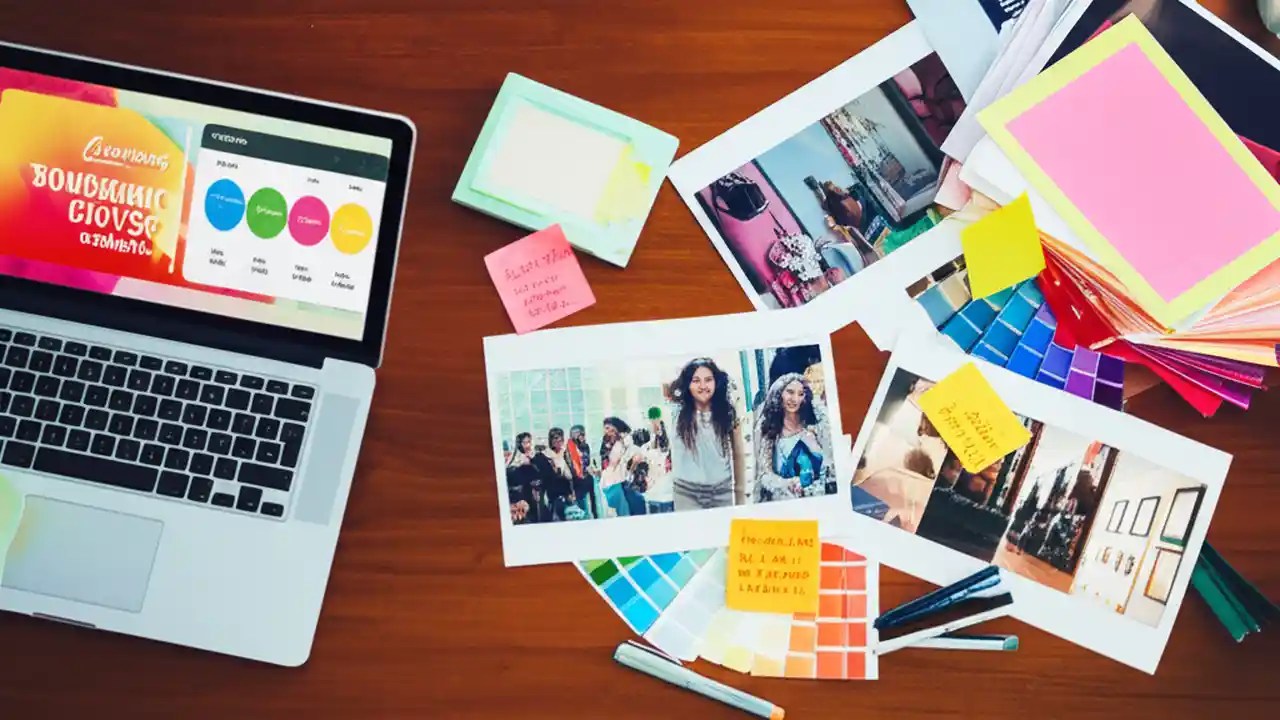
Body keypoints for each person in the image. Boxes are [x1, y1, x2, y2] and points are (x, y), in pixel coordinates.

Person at [668, 358, 746, 510]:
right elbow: (671, 389)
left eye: (708, 380)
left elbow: (738, 454)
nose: (703, 386)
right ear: (688, 384)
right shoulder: (678, 413)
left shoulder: (728, 413)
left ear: (716, 382)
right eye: (696, 380)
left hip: (721, 491)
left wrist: (740, 495)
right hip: (686, 492)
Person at [753, 373, 830, 503]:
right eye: (790, 392)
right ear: (779, 394)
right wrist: (786, 483)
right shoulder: (768, 431)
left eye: (800, 394)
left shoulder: (815, 426)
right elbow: (764, 474)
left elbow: (830, 463)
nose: (795, 399)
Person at [600, 417, 644, 517]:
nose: (607, 432)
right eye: (605, 429)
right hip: (611, 481)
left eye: (609, 428)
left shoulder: (624, 441)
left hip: (619, 480)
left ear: (616, 429)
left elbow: (635, 457)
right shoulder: (607, 443)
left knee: (622, 511)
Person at [533, 428, 577, 521]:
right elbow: (545, 476)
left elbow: (569, 474)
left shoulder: (565, 453)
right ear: (551, 440)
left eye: (560, 440)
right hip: (551, 491)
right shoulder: (543, 456)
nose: (558, 442)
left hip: (565, 489)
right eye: (555, 439)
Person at [506, 432, 541, 524]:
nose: (527, 445)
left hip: (532, 491)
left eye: (529, 442)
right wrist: (520, 463)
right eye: (524, 443)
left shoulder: (534, 455)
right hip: (518, 493)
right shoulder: (515, 456)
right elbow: (509, 470)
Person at [568, 425, 597, 519]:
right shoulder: (570, 448)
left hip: (587, 476)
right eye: (580, 434)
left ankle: (596, 516)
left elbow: (587, 461)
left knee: (594, 501)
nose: (582, 436)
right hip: (577, 480)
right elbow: (571, 466)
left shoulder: (585, 446)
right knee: (581, 503)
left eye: (583, 434)